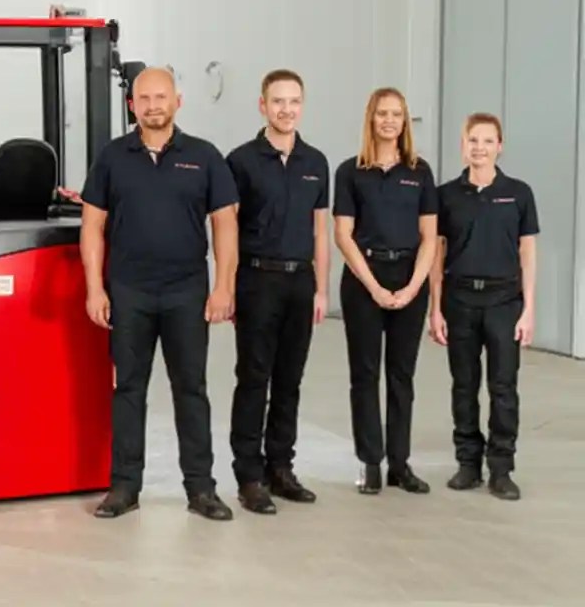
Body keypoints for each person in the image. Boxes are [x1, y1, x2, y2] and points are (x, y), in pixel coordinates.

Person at [79, 66, 238, 521]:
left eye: (160, 97)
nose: (153, 105)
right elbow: (92, 225)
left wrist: (224, 285)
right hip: (129, 291)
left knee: (192, 389)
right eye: (143, 98)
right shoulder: (112, 157)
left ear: (177, 101)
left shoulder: (205, 157)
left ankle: (201, 489)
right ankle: (124, 487)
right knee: (128, 389)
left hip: (187, 291)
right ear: (132, 105)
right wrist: (95, 288)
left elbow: (225, 224)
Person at [224, 69, 329, 514]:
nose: (287, 109)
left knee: (290, 380)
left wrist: (322, 289)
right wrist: (227, 287)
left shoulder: (315, 162)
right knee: (254, 379)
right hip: (257, 280)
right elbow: (227, 229)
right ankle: (249, 476)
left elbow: (320, 232)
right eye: (278, 101)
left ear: (302, 106)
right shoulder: (242, 161)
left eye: (294, 102)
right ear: (262, 105)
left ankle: (280, 467)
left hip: (299, 282)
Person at [333, 87, 437, 495]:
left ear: (405, 121)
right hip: (364, 279)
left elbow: (430, 236)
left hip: (410, 274)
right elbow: (343, 235)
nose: (389, 120)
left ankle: (400, 463)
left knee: (401, 375)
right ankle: (370, 462)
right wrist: (374, 286)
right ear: (370, 119)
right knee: (365, 373)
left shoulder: (419, 171)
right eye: (382, 113)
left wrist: (413, 286)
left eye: (396, 114)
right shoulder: (350, 172)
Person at [428, 113, 537, 501]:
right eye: (473, 140)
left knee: (503, 387)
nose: (480, 147)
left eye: (487, 140)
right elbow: (436, 254)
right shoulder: (446, 195)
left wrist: (529, 309)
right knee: (464, 385)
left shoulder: (519, 193)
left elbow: (528, 252)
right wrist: (435, 308)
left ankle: (502, 468)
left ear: (500, 145)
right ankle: (468, 464)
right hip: (459, 300)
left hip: (505, 301)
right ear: (463, 145)